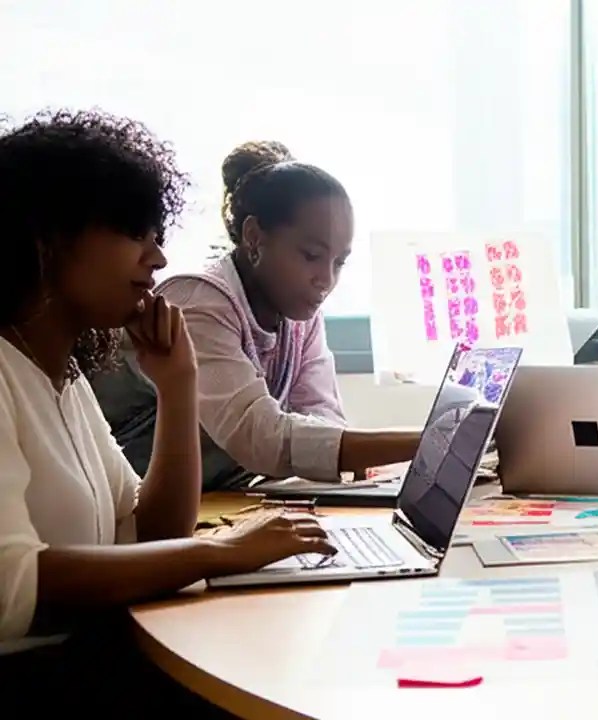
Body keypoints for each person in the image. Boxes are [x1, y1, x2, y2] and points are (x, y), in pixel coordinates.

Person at [0, 111, 335, 712]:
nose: (156, 259)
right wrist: (219, 551)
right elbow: (12, 585)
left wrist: (179, 386)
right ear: (47, 240)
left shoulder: (61, 378)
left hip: (88, 661)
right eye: (136, 233)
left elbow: (152, 532)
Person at [93, 141, 421, 490]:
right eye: (311, 255)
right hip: (128, 504)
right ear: (253, 237)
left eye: (339, 262)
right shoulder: (196, 303)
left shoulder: (300, 313)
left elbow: (323, 416)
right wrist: (425, 441)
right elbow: (260, 438)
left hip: (214, 499)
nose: (326, 280)